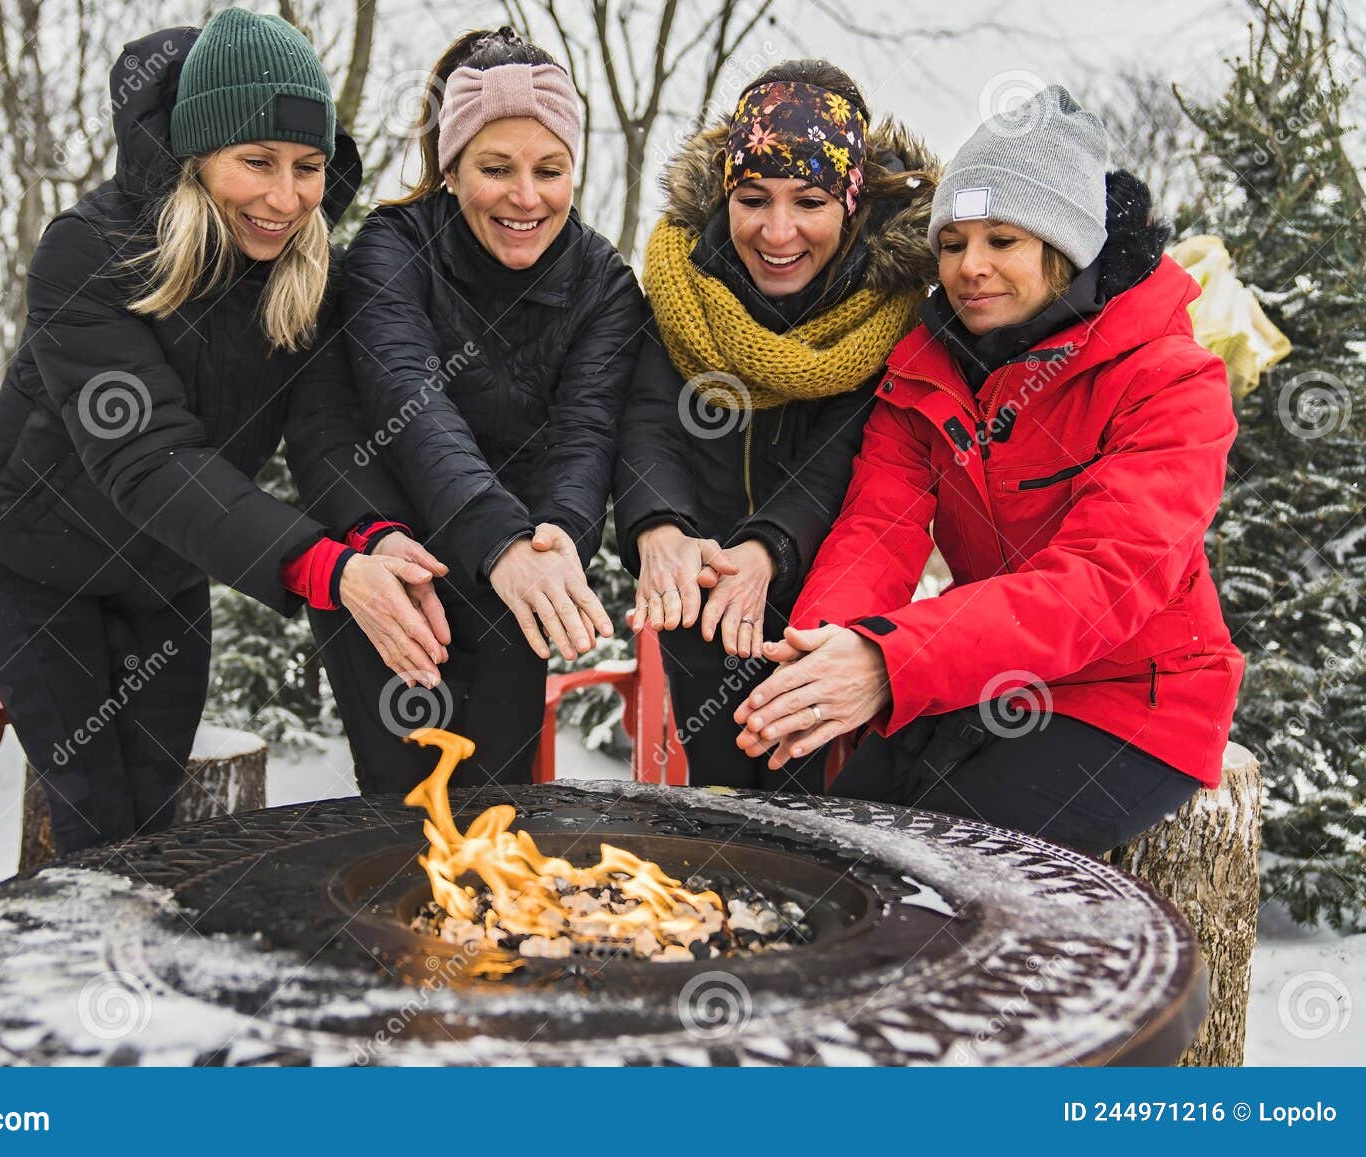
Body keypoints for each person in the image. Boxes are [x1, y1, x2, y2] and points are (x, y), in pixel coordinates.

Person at [0, 9, 446, 854]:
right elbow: (149, 456)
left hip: (167, 579)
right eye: (255, 162)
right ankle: (70, 977)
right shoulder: (87, 254)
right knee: (93, 816)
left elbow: (327, 433)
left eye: (307, 167)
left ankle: (144, 976)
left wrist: (373, 533)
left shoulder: (304, 271)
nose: (286, 198)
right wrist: (326, 569)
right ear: (198, 156)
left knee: (156, 817)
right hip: (33, 567)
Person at [736, 86, 1244, 855]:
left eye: (1001, 240)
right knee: (820, 828)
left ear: (1065, 246)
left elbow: (1098, 586)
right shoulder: (926, 369)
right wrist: (821, 651)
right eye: (952, 242)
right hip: (984, 673)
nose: (969, 268)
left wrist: (887, 658)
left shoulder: (1170, 380)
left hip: (1133, 699)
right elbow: (879, 529)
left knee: (934, 862)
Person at [332, 27, 646, 793]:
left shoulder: (604, 283)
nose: (526, 197)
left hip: (521, 571)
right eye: (496, 168)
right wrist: (496, 533)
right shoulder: (391, 249)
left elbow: (589, 430)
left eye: (550, 169)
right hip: (397, 558)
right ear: (451, 166)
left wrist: (558, 539)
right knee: (402, 805)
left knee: (496, 803)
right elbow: (409, 394)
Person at [613, 62, 937, 793]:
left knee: (820, 815)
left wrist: (768, 547)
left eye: (810, 201)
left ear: (850, 205)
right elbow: (647, 423)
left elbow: (844, 455)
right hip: (703, 593)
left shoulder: (884, 307)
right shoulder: (684, 284)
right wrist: (658, 525)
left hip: (827, 599)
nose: (778, 230)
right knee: (724, 806)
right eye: (753, 198)